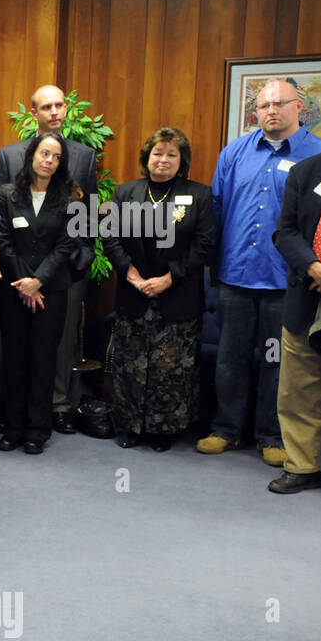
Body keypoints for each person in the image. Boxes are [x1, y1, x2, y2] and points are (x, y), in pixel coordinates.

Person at [200, 79, 321, 466]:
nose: (271, 110)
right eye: (263, 104)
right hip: (236, 275)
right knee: (230, 357)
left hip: (288, 280)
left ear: (298, 106)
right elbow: (217, 210)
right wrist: (214, 266)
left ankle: (272, 436)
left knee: (278, 361)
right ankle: (226, 429)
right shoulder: (235, 152)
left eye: (279, 103)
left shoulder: (317, 155)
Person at [0, 84, 100, 434]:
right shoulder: (10, 156)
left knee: (55, 345)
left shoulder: (84, 156)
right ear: (34, 112)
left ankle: (56, 408)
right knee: (16, 347)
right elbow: (0, 220)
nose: (54, 112)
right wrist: (25, 278)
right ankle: (12, 415)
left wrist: (76, 257)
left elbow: (92, 213)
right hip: (16, 274)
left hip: (63, 269)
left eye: (59, 106)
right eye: (46, 107)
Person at [102, 127, 215, 451]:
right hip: (133, 294)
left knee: (172, 368)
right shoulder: (126, 193)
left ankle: (163, 430)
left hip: (177, 296)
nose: (163, 160)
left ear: (182, 161)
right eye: (157, 153)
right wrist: (130, 272)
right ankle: (129, 426)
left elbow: (205, 244)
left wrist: (170, 278)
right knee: (130, 364)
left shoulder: (199, 195)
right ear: (146, 158)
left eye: (171, 155)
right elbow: (110, 237)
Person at [0, 132, 81, 454]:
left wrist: (38, 282)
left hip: (51, 293)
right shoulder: (6, 195)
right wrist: (23, 283)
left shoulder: (72, 200)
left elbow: (66, 247)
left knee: (44, 360)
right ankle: (13, 427)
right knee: (14, 359)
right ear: (32, 155)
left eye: (56, 157)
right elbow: (2, 240)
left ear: (61, 164)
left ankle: (37, 429)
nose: (49, 160)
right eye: (44, 153)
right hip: (13, 290)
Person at [267, 150, 321, 493]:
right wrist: (312, 266)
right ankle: (302, 466)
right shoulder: (305, 172)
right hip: (307, 293)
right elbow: (285, 232)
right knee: (298, 389)